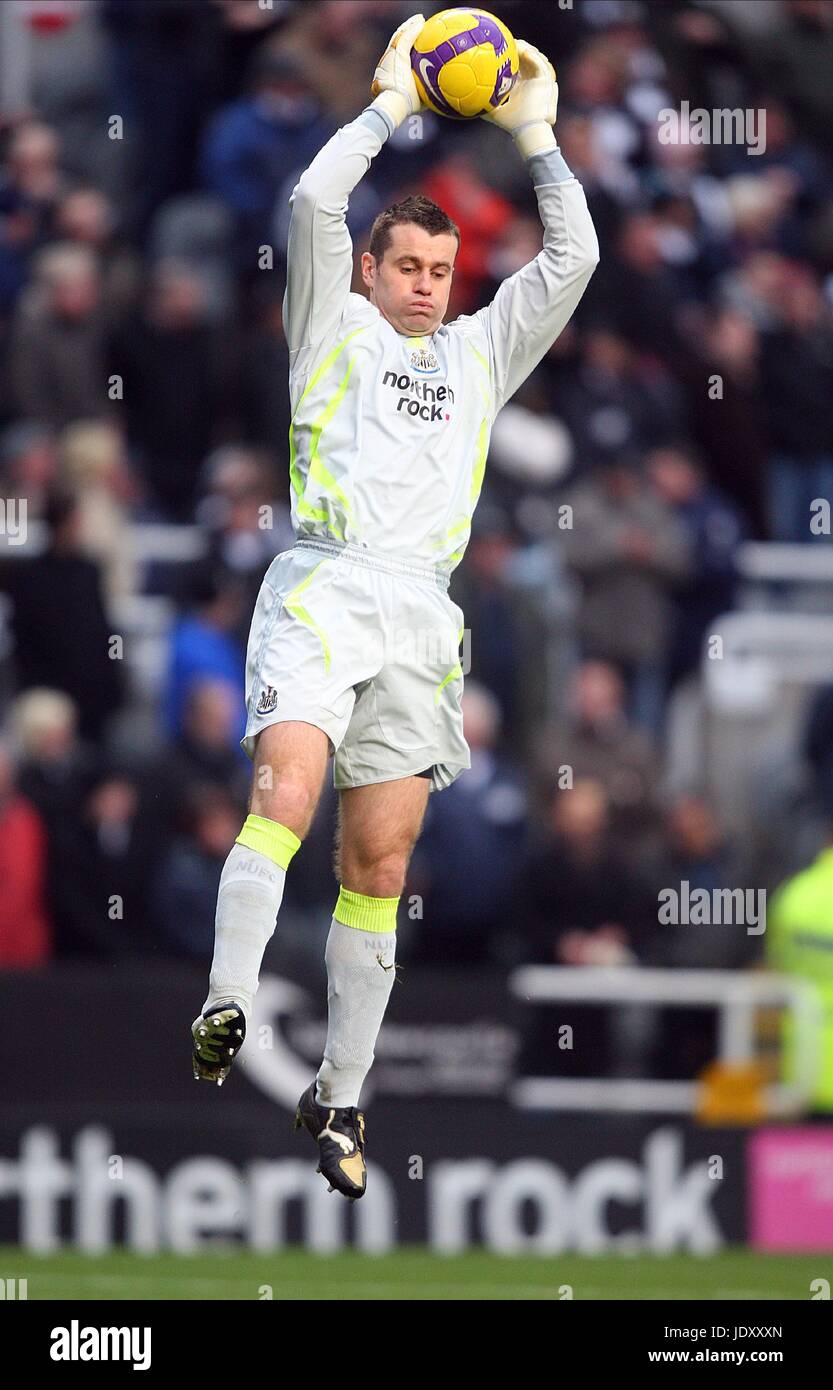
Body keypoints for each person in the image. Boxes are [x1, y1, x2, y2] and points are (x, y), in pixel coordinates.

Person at [190, 13, 599, 1201]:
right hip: (323, 582)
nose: (424, 287)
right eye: (406, 268)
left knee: (379, 860)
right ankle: (225, 998)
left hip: (422, 615)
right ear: (370, 272)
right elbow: (315, 202)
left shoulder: (478, 355)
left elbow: (569, 263)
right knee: (289, 790)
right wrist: (385, 105)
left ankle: (341, 1094)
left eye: (438, 271)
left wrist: (536, 137)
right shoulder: (331, 329)